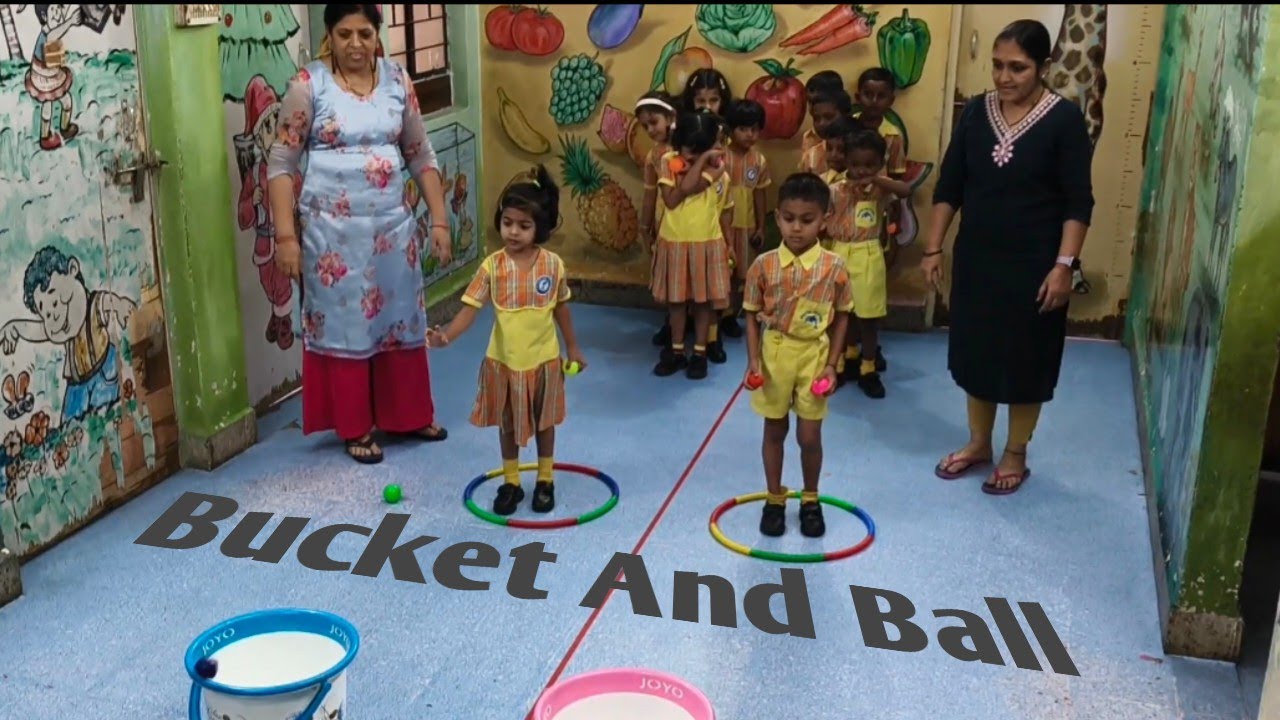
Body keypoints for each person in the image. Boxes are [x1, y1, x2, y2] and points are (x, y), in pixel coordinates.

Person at [267, 4, 453, 464]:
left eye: (365, 34)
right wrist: (287, 239)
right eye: (345, 34)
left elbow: (419, 153)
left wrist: (440, 219)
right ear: (330, 36)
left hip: (392, 229)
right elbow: (281, 164)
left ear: (377, 35)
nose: (356, 44)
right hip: (331, 239)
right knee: (348, 327)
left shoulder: (397, 81)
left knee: (400, 319)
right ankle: (354, 425)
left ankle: (408, 415)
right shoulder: (307, 86)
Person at [921, 19, 1094, 495]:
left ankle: (1015, 451)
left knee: (1025, 359)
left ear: (1044, 67)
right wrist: (934, 247)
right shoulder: (977, 113)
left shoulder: (1064, 120)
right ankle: (979, 443)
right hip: (978, 259)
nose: (1004, 77)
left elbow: (1079, 202)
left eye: (1017, 67)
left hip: (1036, 265)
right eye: (998, 65)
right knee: (976, 352)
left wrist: (1064, 267)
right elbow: (949, 186)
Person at [426, 165, 585, 515]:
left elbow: (561, 307)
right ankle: (511, 481)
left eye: (524, 226)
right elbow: (469, 309)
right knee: (509, 424)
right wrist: (446, 337)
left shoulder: (553, 265)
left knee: (545, 422)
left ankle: (545, 478)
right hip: (504, 361)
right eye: (508, 222)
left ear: (540, 228)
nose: (513, 232)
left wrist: (572, 346)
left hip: (544, 359)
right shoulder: (492, 267)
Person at [743, 172, 852, 538]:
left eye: (807, 220)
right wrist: (753, 362)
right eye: (789, 219)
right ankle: (775, 499)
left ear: (824, 220)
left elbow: (843, 316)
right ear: (777, 217)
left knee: (809, 437)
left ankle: (810, 498)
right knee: (774, 429)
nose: (796, 228)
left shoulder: (835, 267)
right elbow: (750, 313)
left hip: (814, 357)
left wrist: (833, 365)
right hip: (775, 356)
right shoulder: (763, 265)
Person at [654, 70, 737, 352]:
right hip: (674, 241)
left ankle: (701, 350)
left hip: (707, 241)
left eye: (699, 150)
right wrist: (703, 160)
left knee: (704, 302)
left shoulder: (719, 170)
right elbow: (674, 200)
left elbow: (703, 196)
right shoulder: (668, 161)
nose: (691, 155)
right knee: (676, 302)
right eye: (688, 150)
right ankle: (676, 349)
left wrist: (702, 161)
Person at [825, 129, 912, 398]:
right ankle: (843, 361)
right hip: (839, 252)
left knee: (868, 316)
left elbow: (906, 189)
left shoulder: (881, 190)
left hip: (869, 254)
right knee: (842, 314)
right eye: (855, 164)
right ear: (846, 162)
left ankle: (868, 367)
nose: (862, 171)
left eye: (869, 165)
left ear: (880, 163)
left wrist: (880, 179)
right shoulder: (834, 189)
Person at [721, 99, 772, 341]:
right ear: (731, 129)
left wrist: (761, 226)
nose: (749, 135)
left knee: (744, 274)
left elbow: (760, 194)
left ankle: (734, 314)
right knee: (724, 274)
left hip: (748, 225)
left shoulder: (759, 161)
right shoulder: (720, 156)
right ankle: (722, 315)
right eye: (743, 129)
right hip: (723, 227)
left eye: (754, 129)